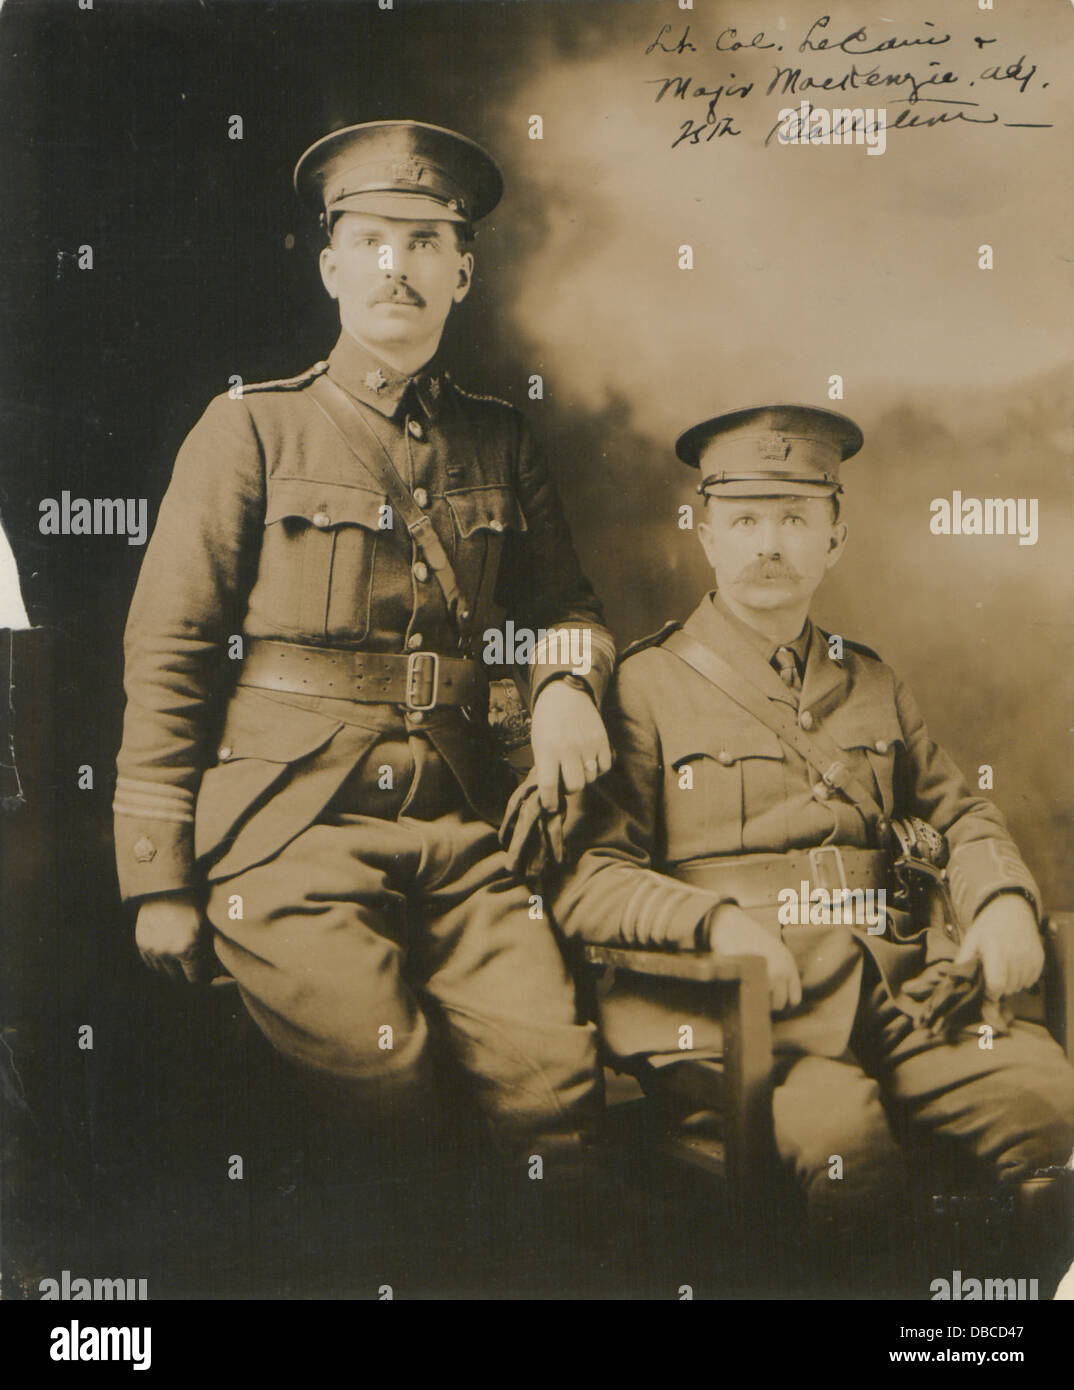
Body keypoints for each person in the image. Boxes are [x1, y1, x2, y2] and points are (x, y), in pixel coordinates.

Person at [113, 121, 616, 1190]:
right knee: (393, 1089)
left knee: (556, 1091)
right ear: (332, 262)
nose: (400, 266)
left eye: (428, 240)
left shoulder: (501, 442)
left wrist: (569, 677)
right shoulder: (250, 430)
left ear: (464, 272)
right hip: (289, 834)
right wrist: (157, 878)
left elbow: (568, 606)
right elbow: (170, 651)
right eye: (375, 238)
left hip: (458, 830)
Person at [549, 403, 1074, 1291]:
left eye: (795, 518)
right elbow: (588, 878)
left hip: (907, 996)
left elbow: (961, 815)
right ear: (705, 534)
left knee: (1051, 1116)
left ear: (836, 538)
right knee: (848, 1158)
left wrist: (1002, 903)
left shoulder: (872, 681)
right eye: (745, 519)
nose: (769, 544)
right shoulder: (645, 686)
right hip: (752, 1025)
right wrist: (714, 924)